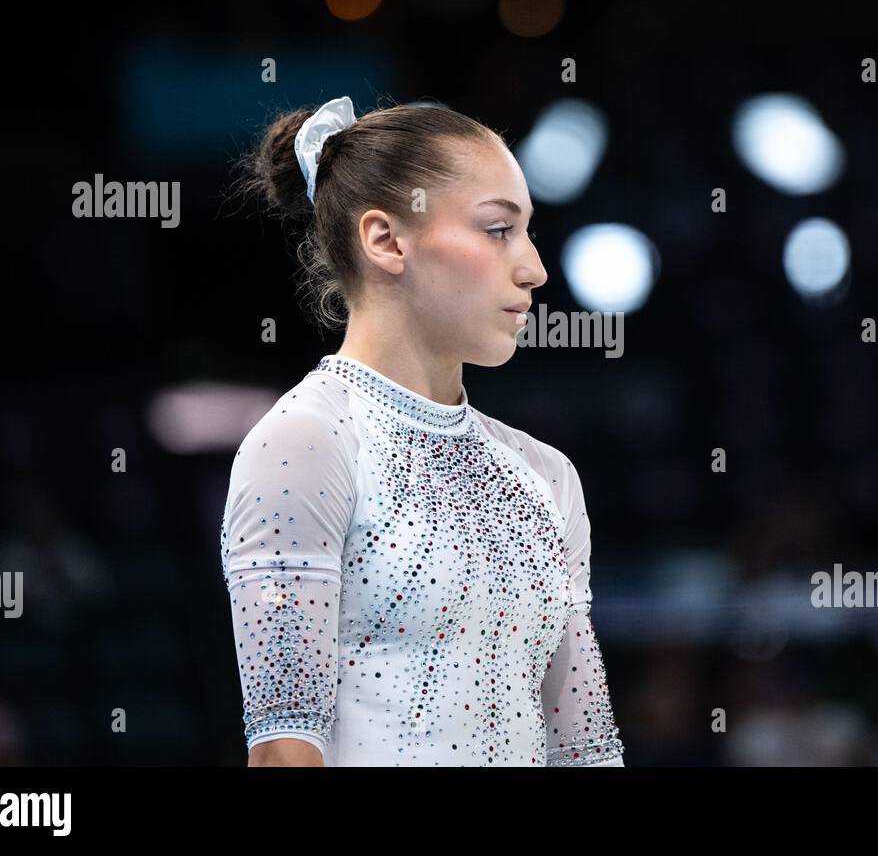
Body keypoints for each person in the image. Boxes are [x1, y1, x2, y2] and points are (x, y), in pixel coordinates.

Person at [220, 97, 626, 766]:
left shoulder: (547, 475)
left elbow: (586, 748)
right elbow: (284, 750)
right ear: (386, 239)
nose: (534, 269)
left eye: (528, 233)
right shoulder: (308, 442)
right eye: (499, 230)